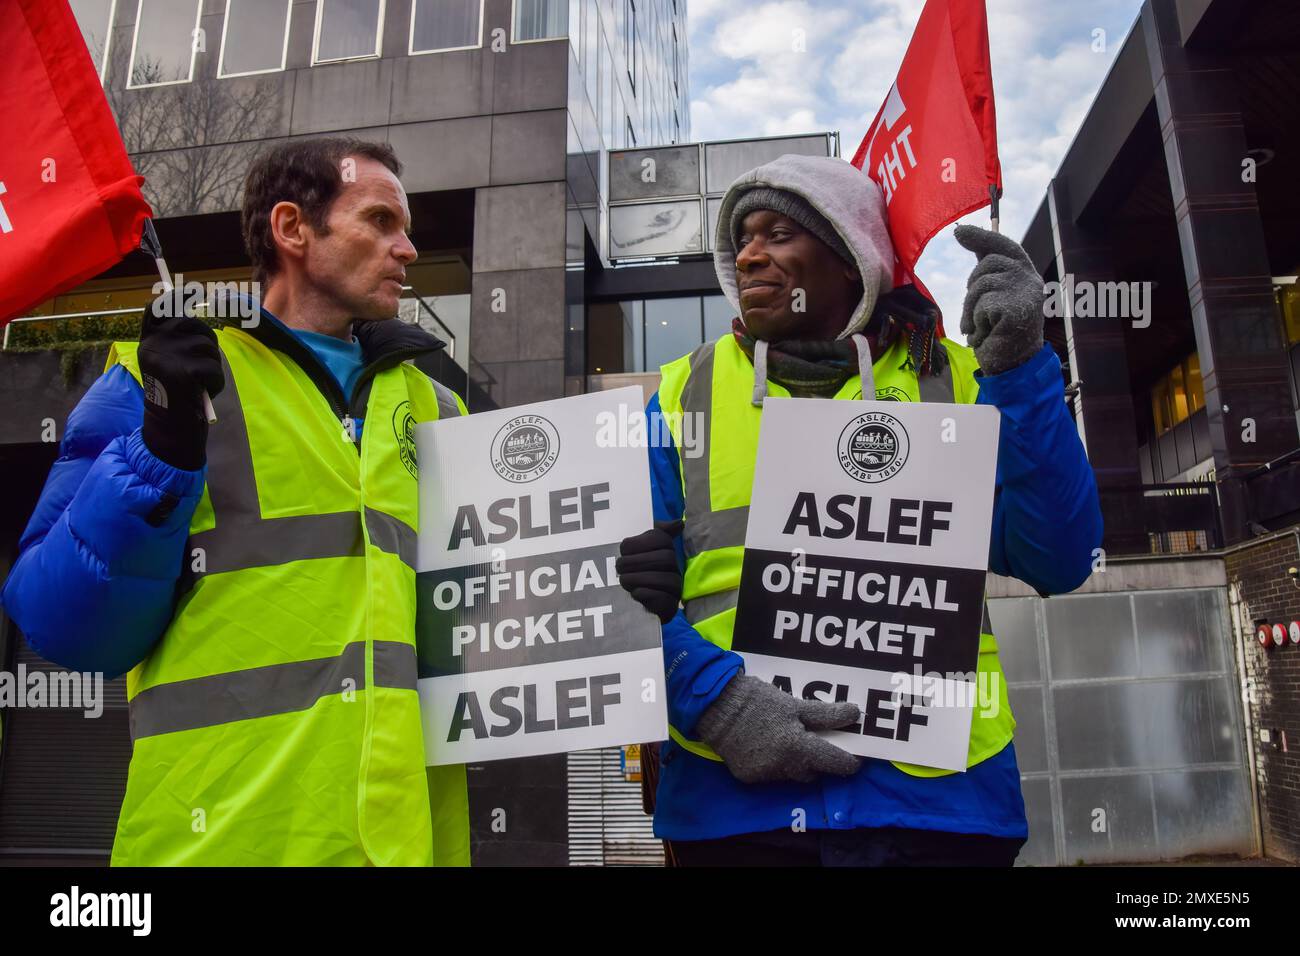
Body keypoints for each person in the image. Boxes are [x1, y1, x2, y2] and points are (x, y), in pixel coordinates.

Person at [615, 154, 1102, 867]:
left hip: (941, 810)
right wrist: (717, 702)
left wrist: (1024, 368)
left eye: (779, 233)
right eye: (743, 238)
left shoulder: (960, 376)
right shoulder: (680, 395)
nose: (748, 254)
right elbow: (612, 598)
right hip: (736, 809)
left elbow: (1059, 559)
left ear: (851, 258)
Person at [1, 137, 470, 866]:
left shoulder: (439, 408)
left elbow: (500, 617)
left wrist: (624, 590)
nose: (407, 249)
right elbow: (64, 627)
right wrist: (158, 452)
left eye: (405, 229)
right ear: (292, 228)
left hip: (406, 845)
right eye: (380, 221)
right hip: (219, 843)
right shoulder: (158, 380)